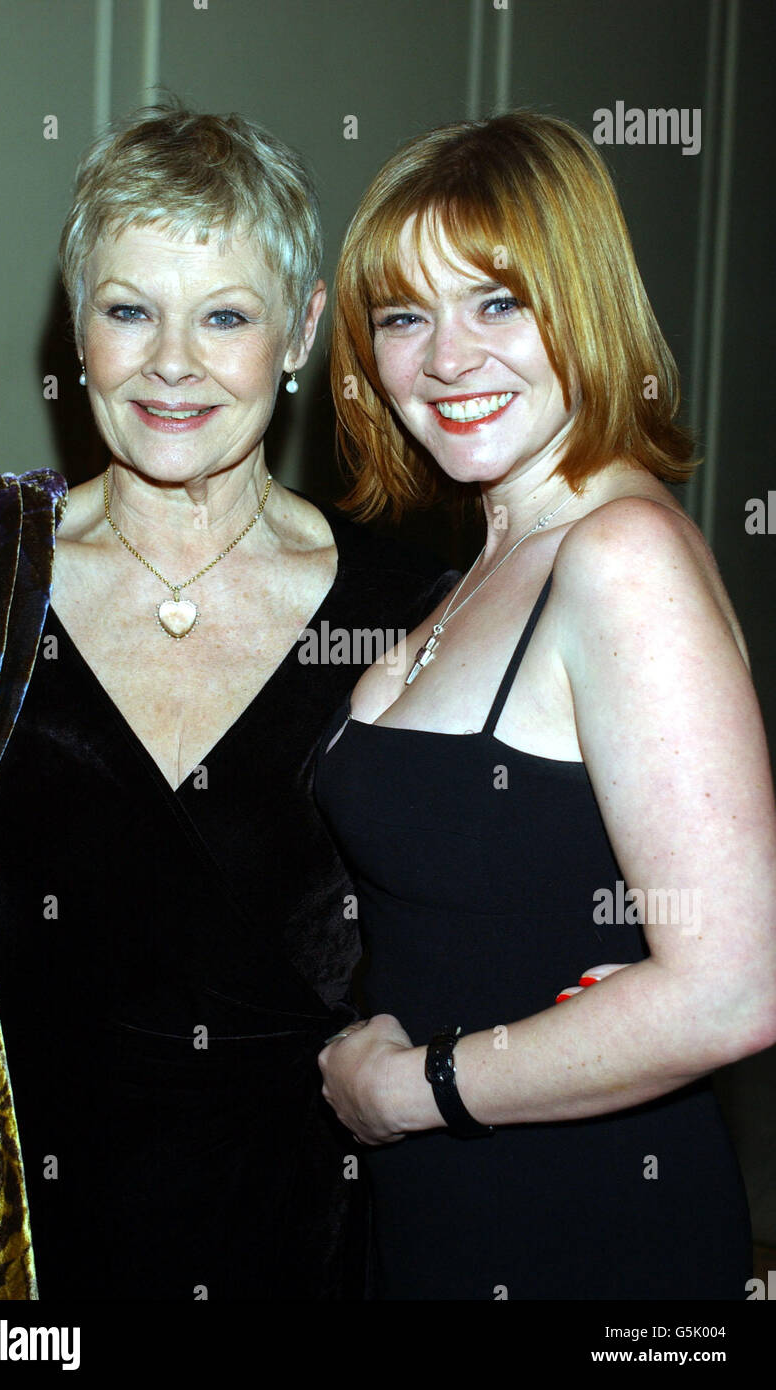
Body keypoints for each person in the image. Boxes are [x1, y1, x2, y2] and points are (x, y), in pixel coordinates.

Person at [0, 102, 455, 1300]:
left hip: (321, 1238)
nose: (173, 362)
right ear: (78, 325)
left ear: (301, 333)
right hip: (23, 1243)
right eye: (129, 312)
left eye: (224, 316)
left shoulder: (419, 606)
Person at [314, 111, 776, 1300]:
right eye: (406, 317)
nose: (449, 358)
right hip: (438, 1217)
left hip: (582, 1226)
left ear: (586, 307)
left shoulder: (620, 556)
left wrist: (413, 1089)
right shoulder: (479, 555)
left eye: (497, 303)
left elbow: (734, 989)